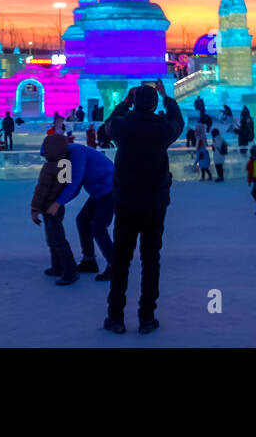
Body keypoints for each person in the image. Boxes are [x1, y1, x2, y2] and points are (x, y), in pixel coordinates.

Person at [101, 80, 184, 335]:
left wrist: (123, 104)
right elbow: (178, 122)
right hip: (154, 203)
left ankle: (115, 317)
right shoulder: (161, 130)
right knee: (151, 261)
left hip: (126, 202)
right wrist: (167, 97)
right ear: (155, 105)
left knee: (121, 261)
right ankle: (147, 317)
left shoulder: (122, 127)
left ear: (134, 102)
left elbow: (107, 126)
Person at [56, 139, 116, 281]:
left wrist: (58, 203)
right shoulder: (63, 158)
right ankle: (89, 261)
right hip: (98, 192)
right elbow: (65, 184)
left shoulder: (77, 152)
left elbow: (75, 181)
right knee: (83, 220)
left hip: (111, 190)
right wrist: (57, 201)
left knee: (98, 227)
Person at [31, 134, 78, 286]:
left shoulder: (49, 167)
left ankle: (69, 271)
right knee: (56, 238)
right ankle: (58, 266)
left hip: (48, 208)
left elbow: (41, 190)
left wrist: (34, 208)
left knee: (56, 240)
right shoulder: (66, 164)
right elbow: (64, 187)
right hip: (58, 207)